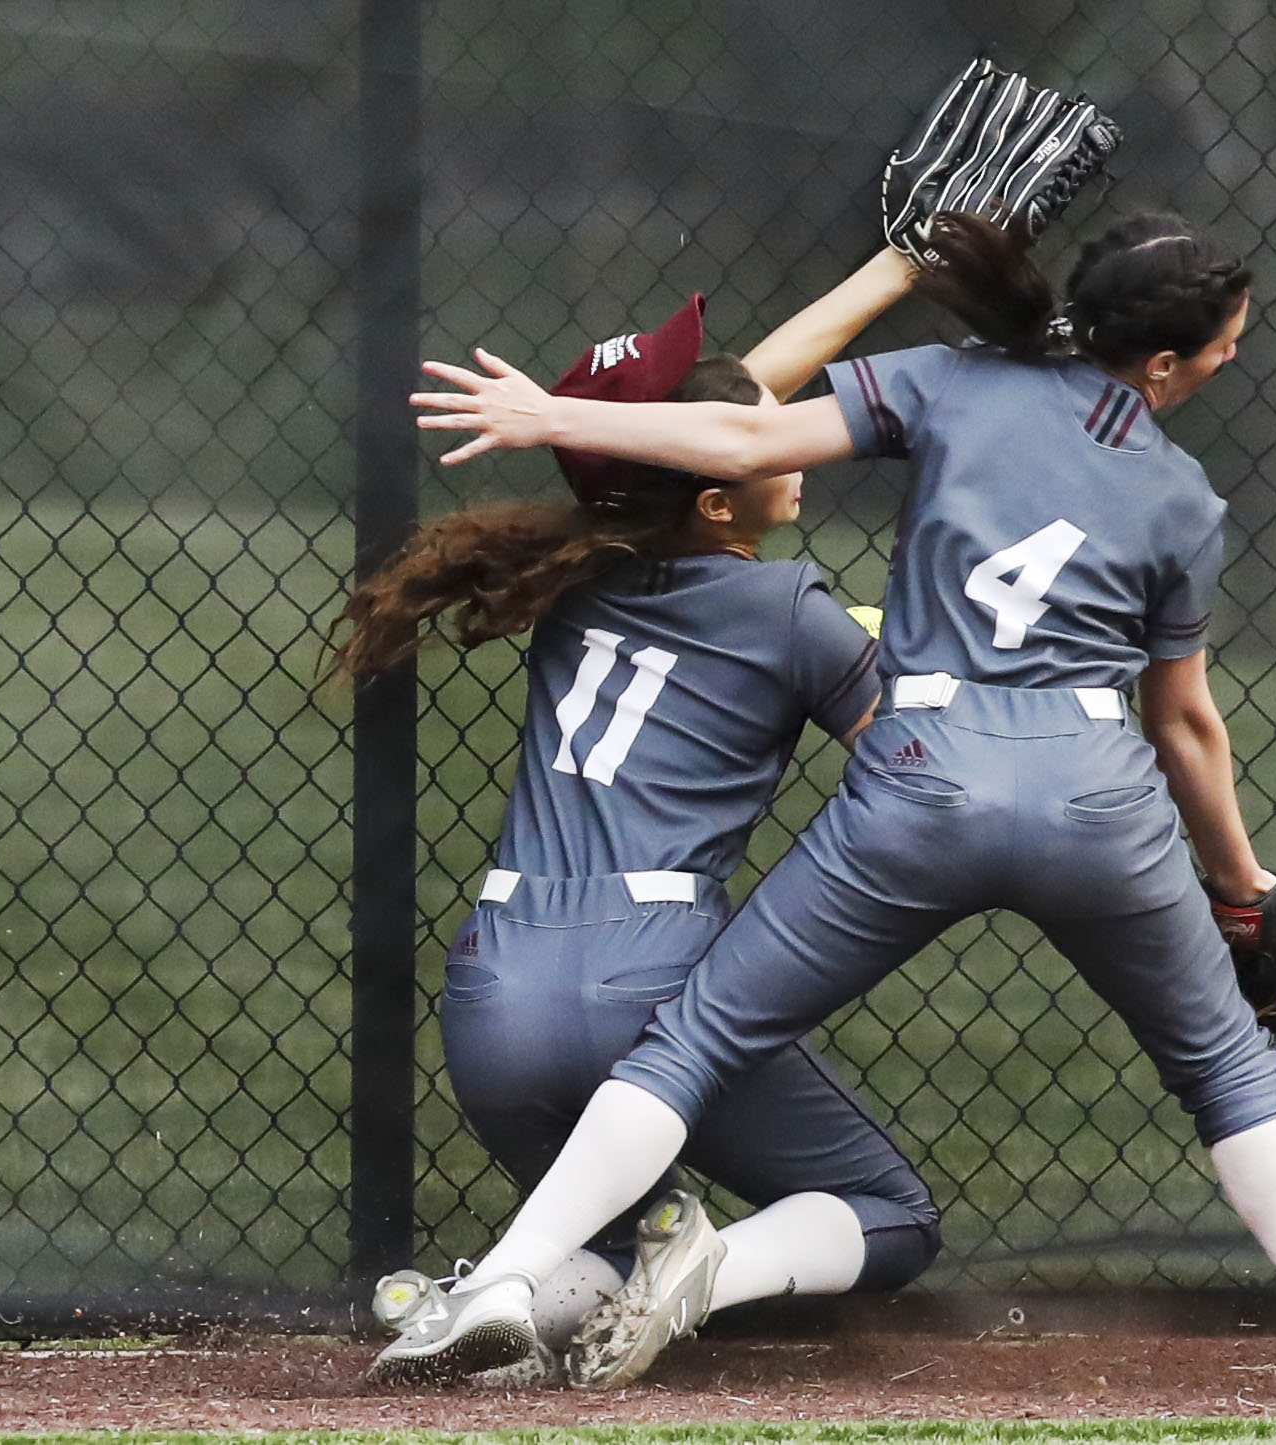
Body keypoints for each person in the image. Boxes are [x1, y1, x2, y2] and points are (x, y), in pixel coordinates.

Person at [409, 211, 1276, 1398]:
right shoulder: (1182, 497)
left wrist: (553, 417)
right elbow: (1183, 721)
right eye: (1224, 342)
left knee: (697, 1041)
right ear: (1159, 364)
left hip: (923, 777)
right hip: (1091, 787)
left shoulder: (947, 382)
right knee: (1225, 1064)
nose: (1230, 358)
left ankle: (502, 1277)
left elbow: (737, 431)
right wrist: (1240, 882)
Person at [332, 249, 942, 1388]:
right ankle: (700, 1267)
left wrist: (893, 268)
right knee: (889, 1211)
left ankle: (476, 1298)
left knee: (602, 1241)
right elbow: (920, 769)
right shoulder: (788, 607)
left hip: (491, 995)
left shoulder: (586, 564)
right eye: (745, 436)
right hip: (645, 977)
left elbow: (719, 424)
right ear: (711, 490)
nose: (775, 429)